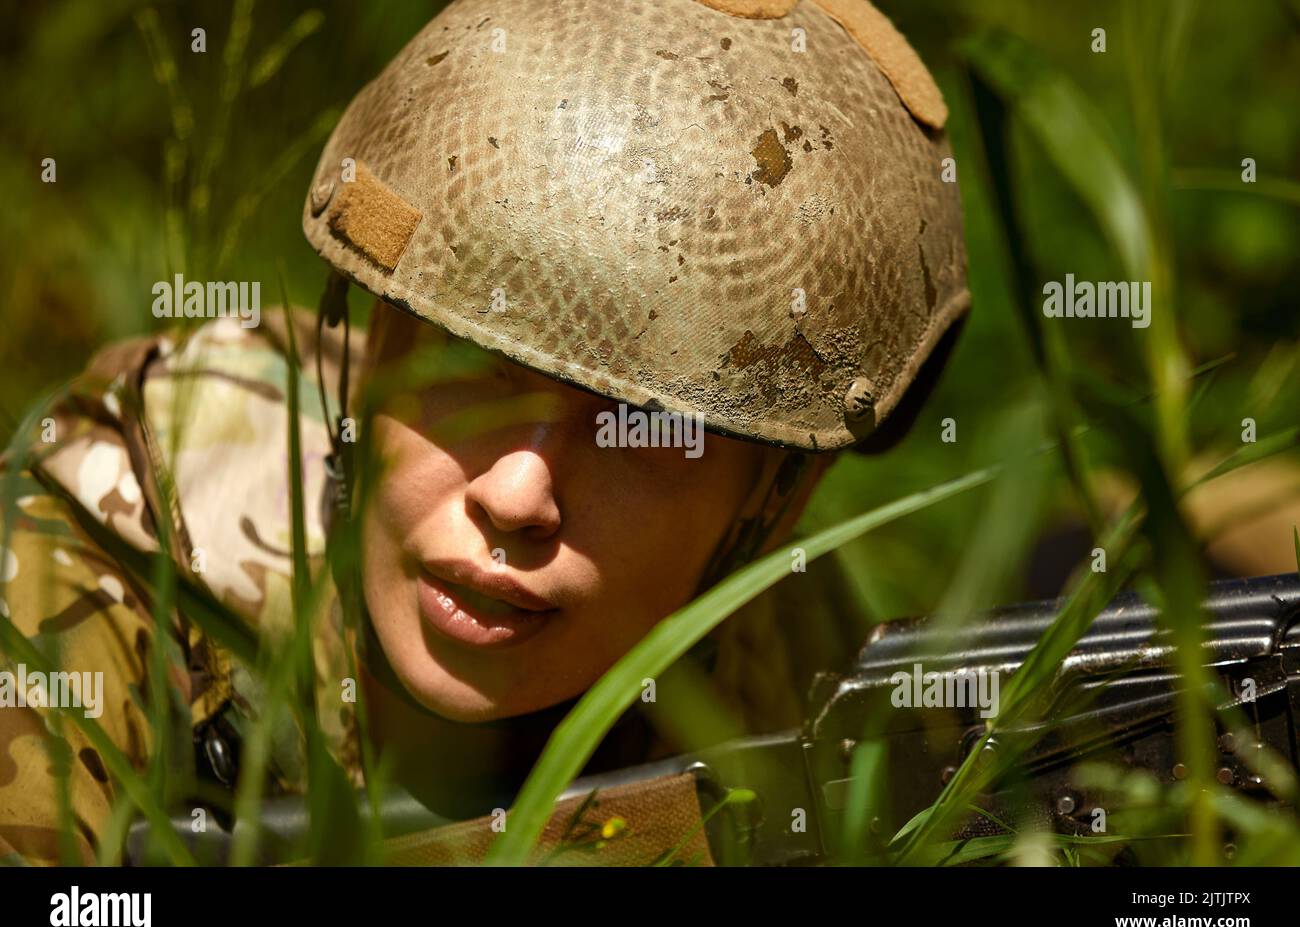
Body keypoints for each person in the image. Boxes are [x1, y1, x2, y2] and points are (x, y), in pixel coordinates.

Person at [0, 0, 968, 865]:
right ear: (372, 343)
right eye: (468, 369)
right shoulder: (90, 577)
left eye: (639, 427)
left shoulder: (773, 630)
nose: (515, 495)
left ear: (777, 495)